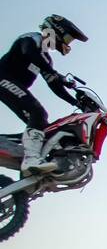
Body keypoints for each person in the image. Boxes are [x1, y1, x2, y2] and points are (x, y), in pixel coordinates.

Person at [0, 16, 87, 177]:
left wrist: (77, 102)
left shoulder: (46, 58)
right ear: (55, 31)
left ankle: (28, 169)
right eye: (68, 38)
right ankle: (31, 160)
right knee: (38, 112)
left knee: (43, 128)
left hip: (11, 87)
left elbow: (54, 85)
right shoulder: (32, 39)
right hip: (3, 79)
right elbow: (30, 53)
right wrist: (56, 74)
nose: (68, 43)